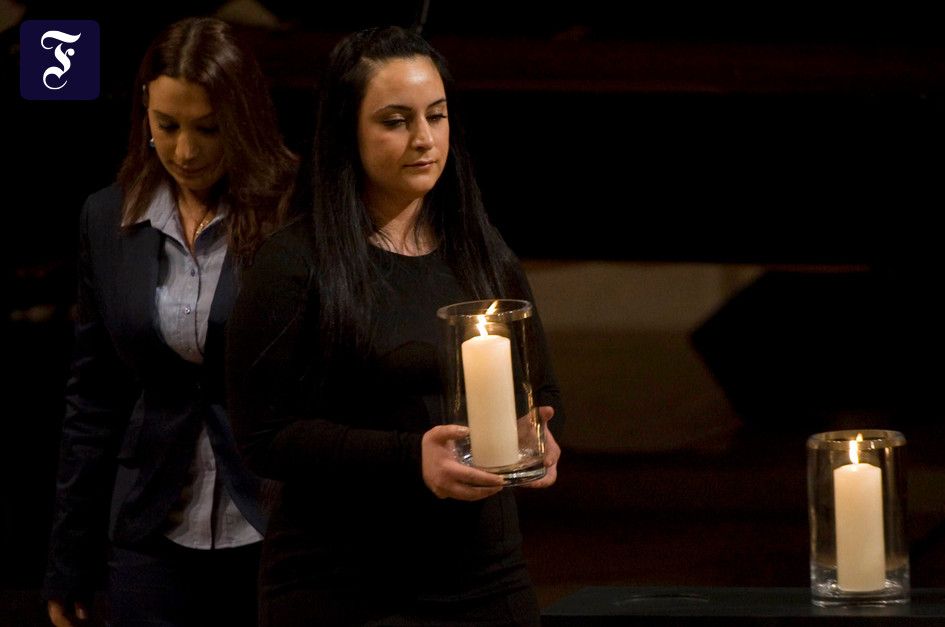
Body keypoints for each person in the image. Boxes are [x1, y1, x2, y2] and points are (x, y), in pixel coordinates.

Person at [224, 25, 564, 627]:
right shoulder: (293, 263)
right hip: (344, 585)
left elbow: (541, 388)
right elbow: (264, 436)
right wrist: (412, 458)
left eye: (436, 115)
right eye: (395, 121)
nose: (424, 139)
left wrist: (534, 436)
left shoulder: (482, 253)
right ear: (345, 132)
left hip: (485, 576)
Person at [42, 16, 297, 627]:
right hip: (151, 523)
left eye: (209, 129)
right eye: (168, 126)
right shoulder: (107, 219)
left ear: (244, 119)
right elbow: (94, 399)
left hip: (275, 520)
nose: (185, 150)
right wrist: (68, 558)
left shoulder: (299, 209)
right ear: (144, 118)